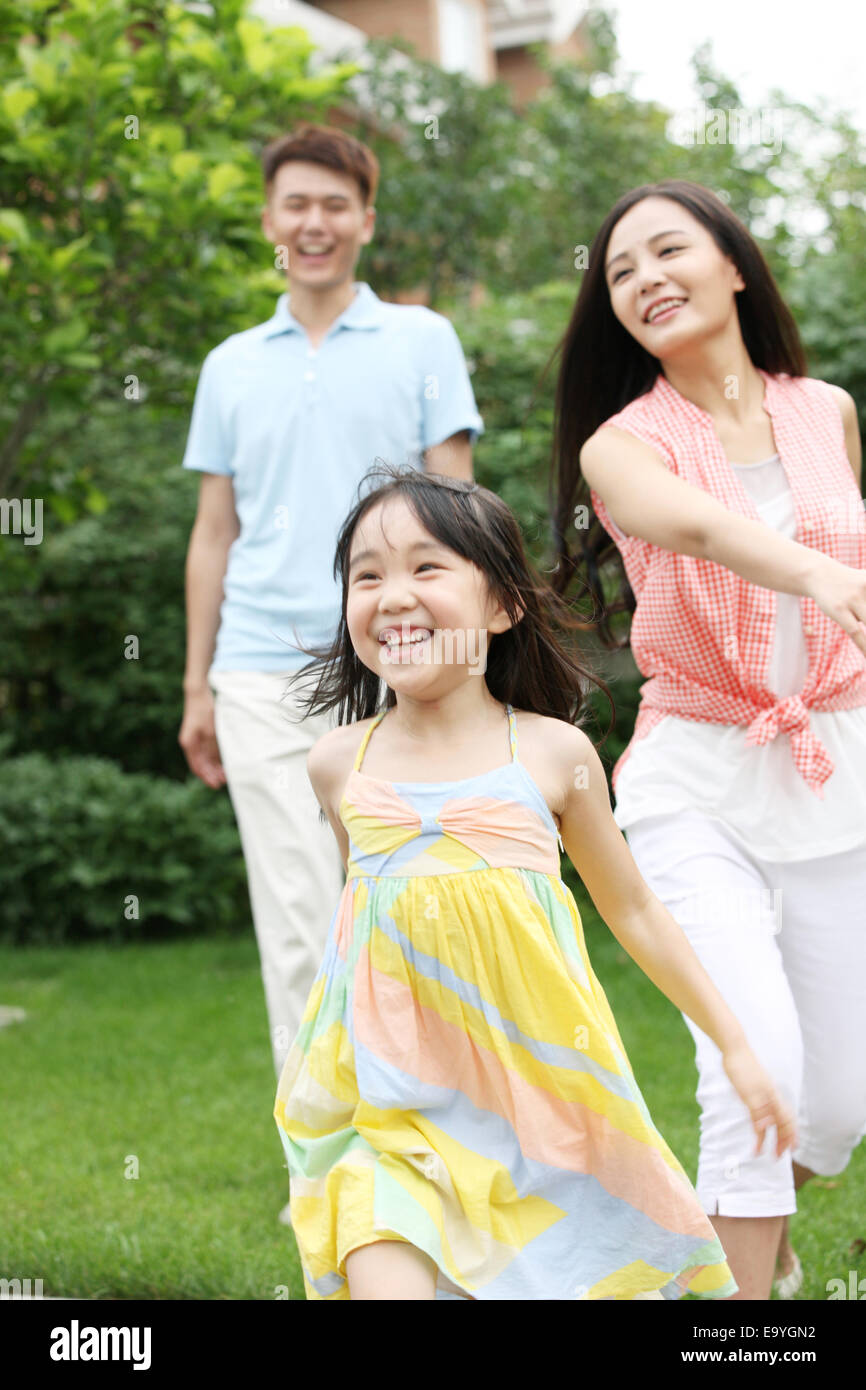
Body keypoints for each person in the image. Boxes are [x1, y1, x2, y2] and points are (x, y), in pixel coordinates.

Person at [272, 463, 796, 1301]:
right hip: (386, 1113)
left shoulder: (551, 757)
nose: (391, 593)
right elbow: (365, 927)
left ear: (504, 605)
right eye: (366, 575)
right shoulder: (340, 764)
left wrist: (734, 1040)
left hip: (542, 1108)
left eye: (426, 566)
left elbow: (633, 909)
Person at [550, 179, 866, 1302]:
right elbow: (684, 523)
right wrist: (814, 567)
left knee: (830, 1106)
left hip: (834, 772)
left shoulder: (823, 409)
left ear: (732, 264)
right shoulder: (619, 445)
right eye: (617, 271)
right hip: (695, 781)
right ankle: (743, 1309)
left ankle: (763, 1225)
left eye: (665, 250)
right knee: (751, 1071)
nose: (640, 278)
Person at [178, 125, 483, 1225]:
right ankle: (324, 1179)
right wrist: (195, 687)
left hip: (394, 662)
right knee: (300, 924)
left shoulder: (419, 340)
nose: (312, 223)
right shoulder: (230, 365)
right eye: (293, 204)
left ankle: (428, 1149)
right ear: (270, 221)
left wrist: (459, 661)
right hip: (260, 669)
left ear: (364, 216)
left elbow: (458, 514)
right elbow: (214, 533)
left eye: (333, 205)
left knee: (407, 906)